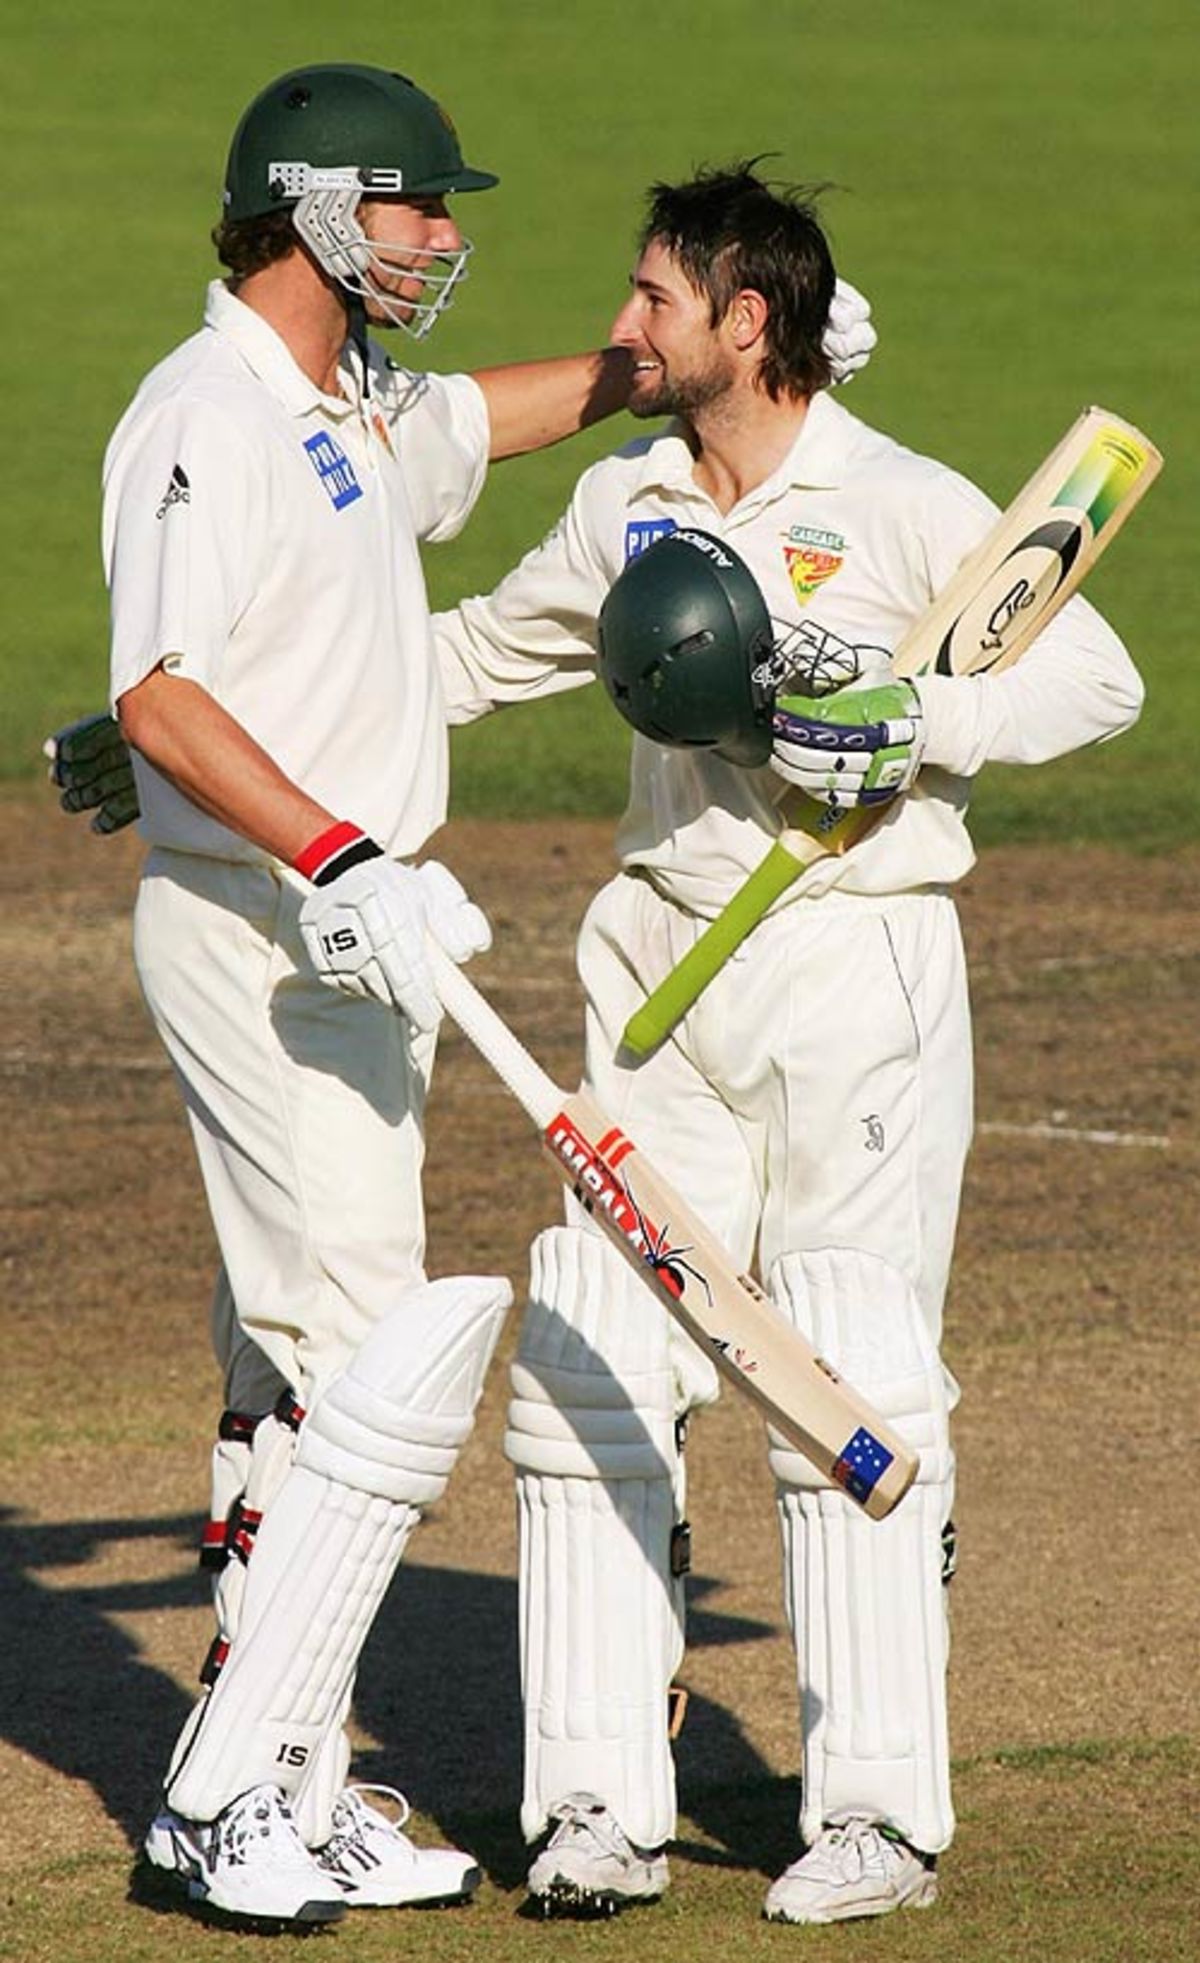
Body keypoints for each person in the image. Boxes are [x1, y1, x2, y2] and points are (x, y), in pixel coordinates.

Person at [418, 163, 1145, 1925]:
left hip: (850, 960)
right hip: (661, 970)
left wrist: (917, 711)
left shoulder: (895, 502)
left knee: (849, 1365)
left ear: (747, 323)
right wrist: (207, 729)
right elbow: (464, 655)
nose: (625, 329)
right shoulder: (628, 507)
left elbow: (1097, 678)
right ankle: (597, 1803)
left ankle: (874, 1819)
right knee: (598, 1351)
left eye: (654, 300)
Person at [77, 58, 679, 1930]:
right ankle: (225, 1795)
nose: (444, 237)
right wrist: (338, 857)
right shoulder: (206, 414)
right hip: (274, 939)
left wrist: (664, 373)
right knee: (366, 1371)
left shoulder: (336, 401)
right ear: (324, 208)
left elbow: (470, 428)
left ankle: (306, 1766)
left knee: (283, 1371)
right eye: (419, 205)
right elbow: (163, 695)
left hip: (357, 939)